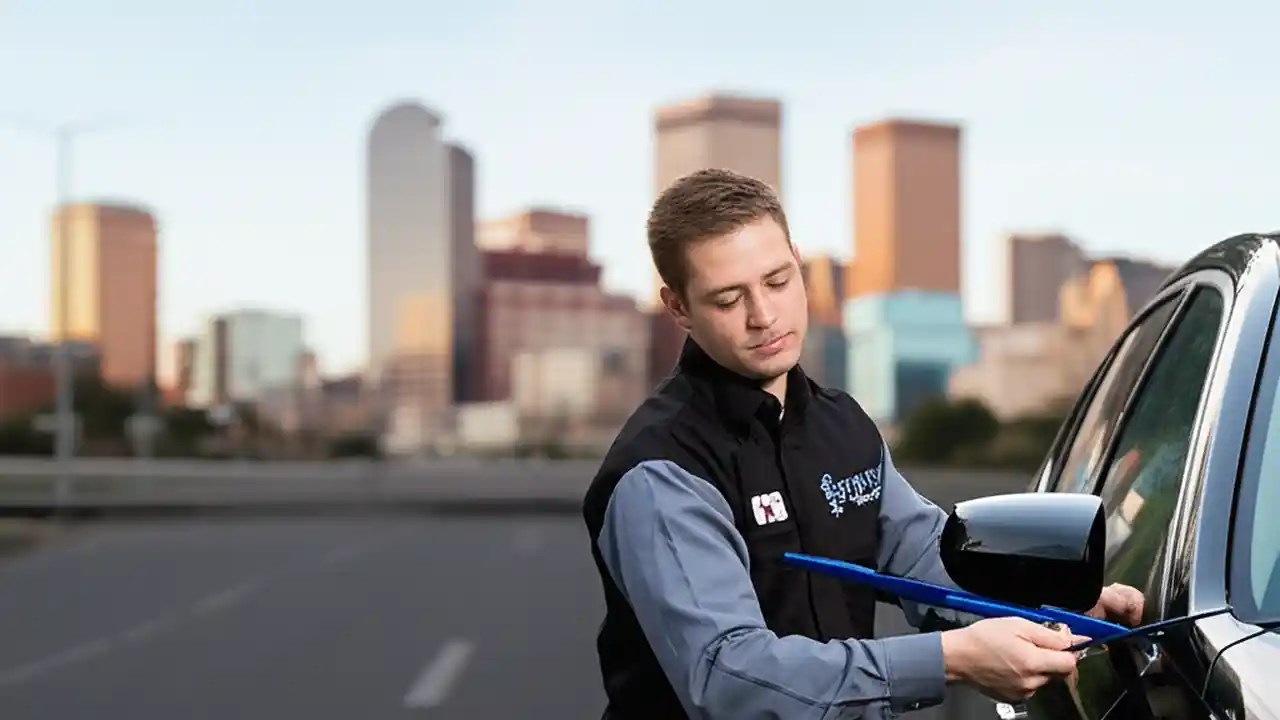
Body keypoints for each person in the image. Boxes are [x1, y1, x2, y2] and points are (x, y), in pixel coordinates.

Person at [581, 168, 1145, 719]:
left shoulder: (843, 425)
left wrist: (1058, 607)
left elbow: (929, 557)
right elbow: (731, 678)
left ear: (797, 262)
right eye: (728, 300)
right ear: (679, 307)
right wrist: (948, 660)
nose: (764, 316)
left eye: (777, 281)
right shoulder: (661, 471)